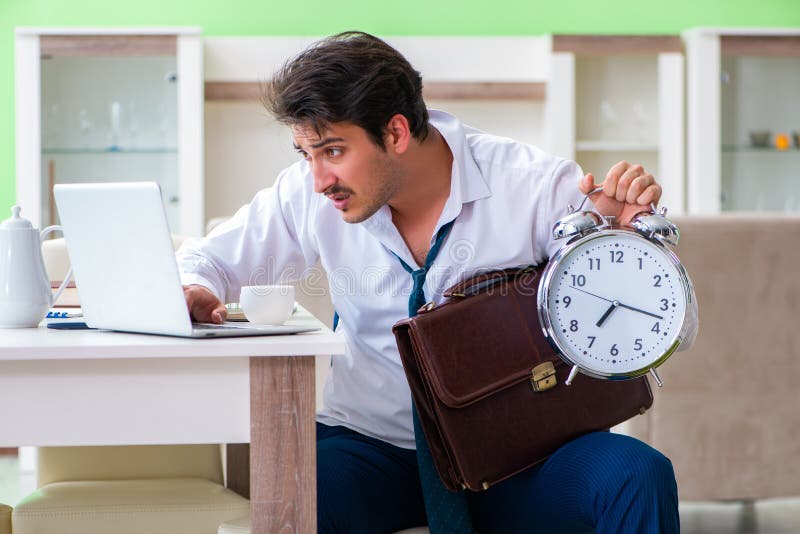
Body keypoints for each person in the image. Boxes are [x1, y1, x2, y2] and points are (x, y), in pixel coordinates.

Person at [178, 31, 679, 533]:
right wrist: (197, 286)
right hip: (372, 449)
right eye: (304, 154)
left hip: (520, 457)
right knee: (292, 487)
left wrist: (629, 244)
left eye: (332, 150)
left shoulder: (533, 187)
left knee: (636, 473)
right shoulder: (309, 196)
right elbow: (207, 260)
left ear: (395, 132)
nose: (317, 179)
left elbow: (657, 324)